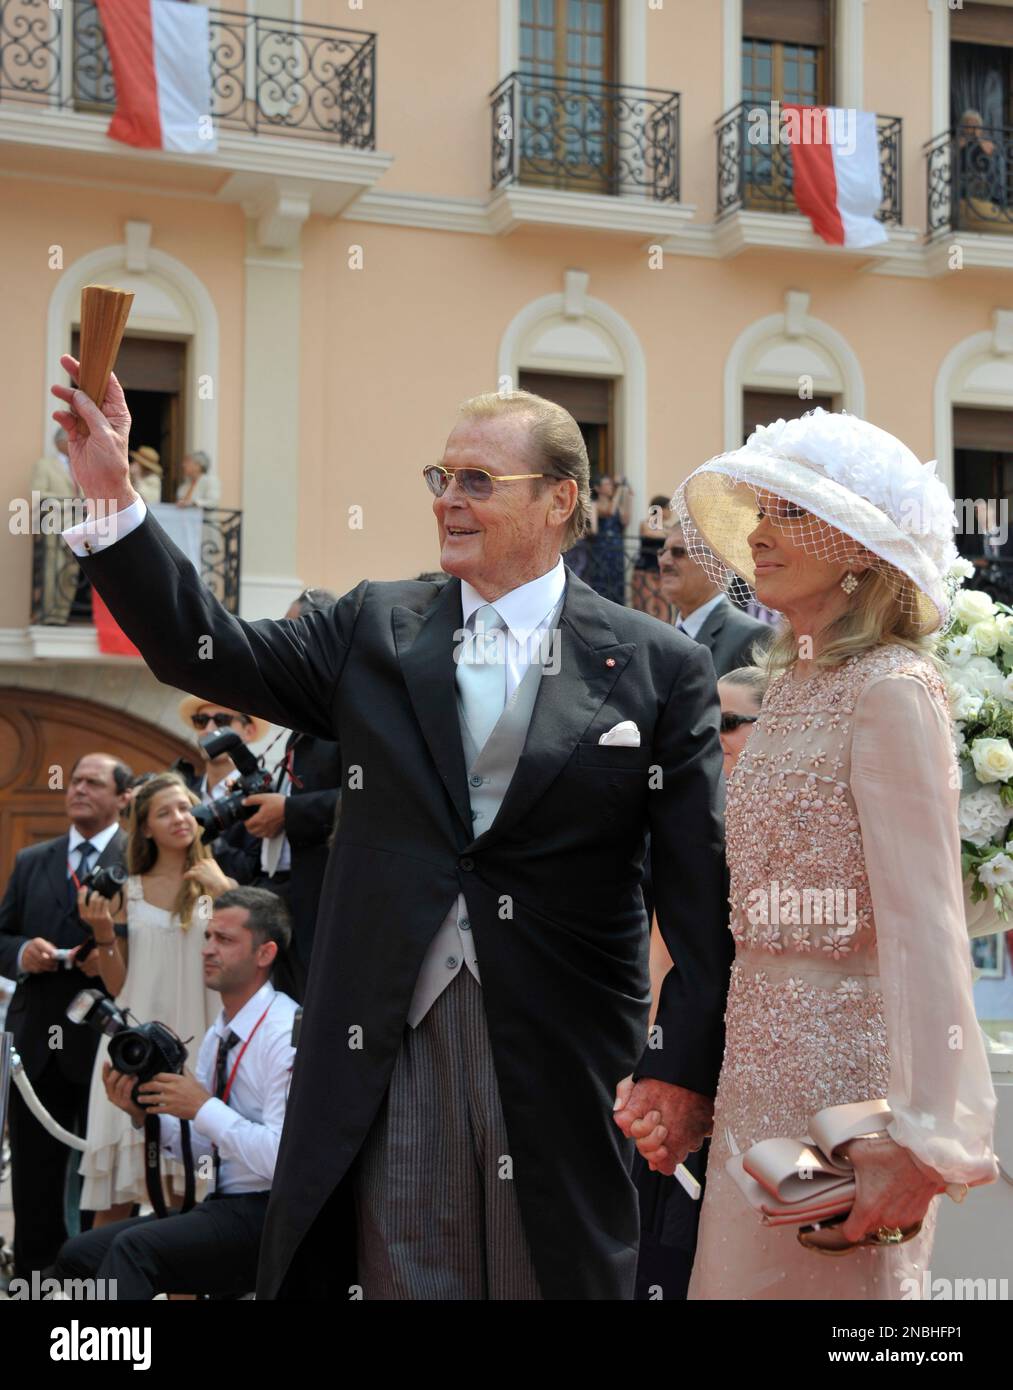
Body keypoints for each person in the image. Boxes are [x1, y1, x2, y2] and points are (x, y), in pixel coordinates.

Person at [54, 363, 730, 1302]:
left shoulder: (662, 665)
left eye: (477, 482)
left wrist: (681, 1070)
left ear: (560, 500)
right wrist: (116, 495)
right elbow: (204, 647)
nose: (448, 501)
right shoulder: (373, 624)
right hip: (389, 1040)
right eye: (440, 478)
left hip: (565, 1055)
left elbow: (697, 896)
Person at [646, 407, 997, 1299]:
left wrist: (922, 1141)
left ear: (856, 545)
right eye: (758, 513)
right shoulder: (790, 687)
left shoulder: (892, 691)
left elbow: (926, 931)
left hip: (853, 1101)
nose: (756, 536)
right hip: (751, 1082)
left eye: (785, 515)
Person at [54, 887, 297, 1300]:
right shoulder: (220, 1033)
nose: (207, 950)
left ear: (265, 953)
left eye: (225, 940)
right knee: (79, 1255)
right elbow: (203, 1148)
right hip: (223, 1203)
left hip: (270, 1213)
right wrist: (142, 1114)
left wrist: (202, 1106)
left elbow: (282, 1160)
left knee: (133, 1251)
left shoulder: (285, 1031)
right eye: (207, 937)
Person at [635, 663, 771, 1300]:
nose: (711, 739)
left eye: (730, 724)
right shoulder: (683, 829)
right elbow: (659, 962)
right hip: (677, 1069)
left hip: (764, 1073)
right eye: (703, 726)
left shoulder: (794, 840)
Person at [77, 772, 230, 1223]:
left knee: (189, 1204)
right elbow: (118, 986)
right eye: (165, 812)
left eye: (185, 807)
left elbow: (252, 954)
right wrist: (104, 933)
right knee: (117, 1203)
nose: (180, 818)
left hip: (199, 1040)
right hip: (135, 1039)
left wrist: (226, 893)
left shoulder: (215, 884)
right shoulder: (130, 890)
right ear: (145, 828)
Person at [0, 752, 130, 1276]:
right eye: (74, 781)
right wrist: (19, 953)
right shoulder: (35, 859)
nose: (78, 789)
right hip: (37, 1038)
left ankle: (95, 1281)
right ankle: (34, 1279)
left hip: (105, 1040)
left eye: (93, 783)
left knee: (106, 1171)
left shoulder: (136, 856)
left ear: (123, 797)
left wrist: (116, 955)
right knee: (34, 1174)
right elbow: (1, 933)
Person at [242, 587, 343, 981]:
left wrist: (288, 812)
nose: (280, 644)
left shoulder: (347, 711)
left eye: (290, 630)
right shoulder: (305, 711)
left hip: (326, 905)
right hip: (283, 898)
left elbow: (373, 796)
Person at [171, 696, 271, 886]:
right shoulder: (181, 790)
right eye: (201, 721)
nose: (209, 729)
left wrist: (202, 832)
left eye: (221, 720)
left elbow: (251, 870)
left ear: (248, 732)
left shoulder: (261, 795)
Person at [659, 523, 772, 677]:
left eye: (678, 552)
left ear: (718, 564)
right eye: (662, 552)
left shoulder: (752, 638)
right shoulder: (662, 635)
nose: (664, 561)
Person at [32, 427, 83, 624]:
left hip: (78, 526)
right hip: (54, 526)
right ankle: (50, 614)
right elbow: (38, 495)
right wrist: (69, 501)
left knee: (72, 571)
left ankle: (62, 614)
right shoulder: (44, 466)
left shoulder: (79, 465)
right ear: (60, 442)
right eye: (72, 439)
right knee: (54, 568)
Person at [588, 474, 630, 604]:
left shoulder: (616, 504)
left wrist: (626, 492)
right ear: (597, 488)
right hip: (602, 547)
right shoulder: (595, 505)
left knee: (616, 579)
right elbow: (609, 512)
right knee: (602, 579)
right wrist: (618, 489)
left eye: (612, 484)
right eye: (607, 484)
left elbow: (625, 520)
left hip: (616, 546)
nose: (611, 486)